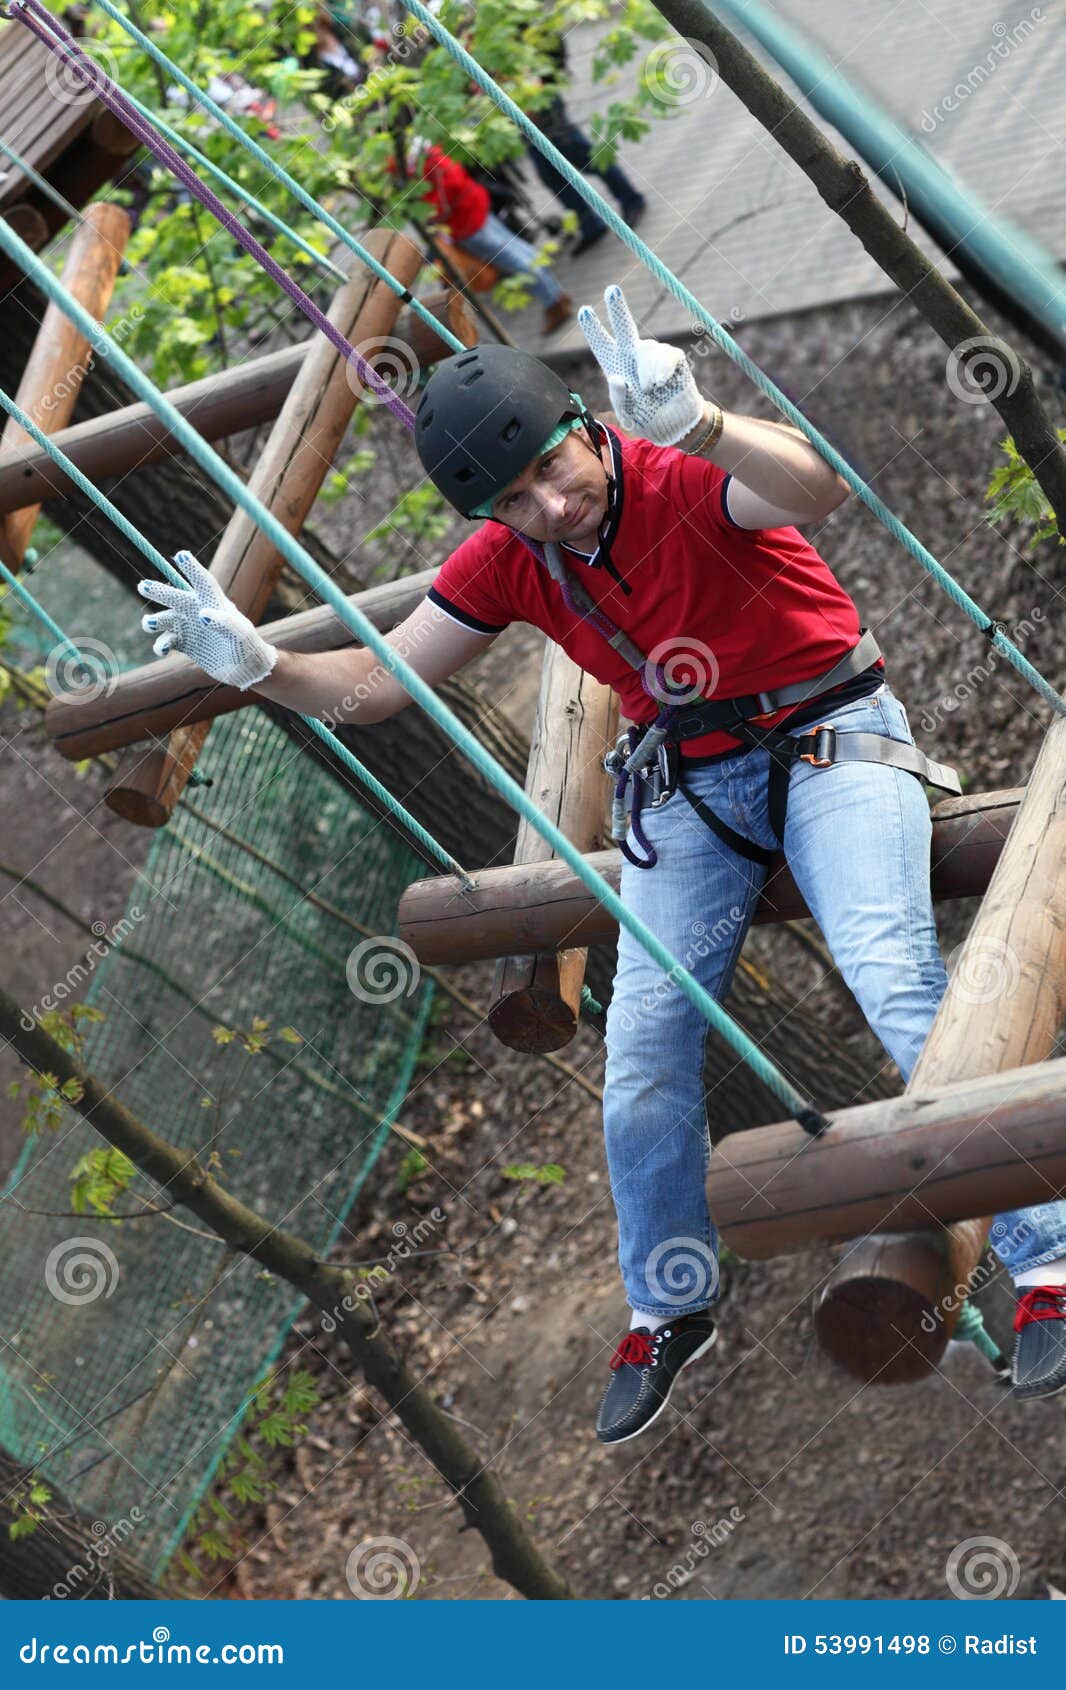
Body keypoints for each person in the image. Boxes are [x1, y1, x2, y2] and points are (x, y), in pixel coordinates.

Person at [136, 287, 1066, 1441]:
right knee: (640, 1050)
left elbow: (812, 489)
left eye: (552, 469)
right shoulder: (513, 555)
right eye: (515, 500)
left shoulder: (675, 468)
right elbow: (379, 686)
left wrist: (703, 422)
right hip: (690, 785)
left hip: (829, 737)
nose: (549, 504)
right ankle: (670, 1303)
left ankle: (1048, 1259)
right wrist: (263, 664)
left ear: (586, 420)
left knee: (889, 967)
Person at [406, 137, 572, 334]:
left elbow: (439, 206)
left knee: (516, 261)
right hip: (477, 211)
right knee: (520, 251)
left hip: (468, 224)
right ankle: (555, 294)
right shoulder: (438, 155)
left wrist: (425, 215)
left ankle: (553, 302)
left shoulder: (429, 170)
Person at [524, 32, 647, 255]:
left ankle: (631, 199)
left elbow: (547, 47)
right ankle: (590, 225)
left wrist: (541, 88)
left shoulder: (501, 22)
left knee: (584, 155)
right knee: (551, 176)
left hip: (541, 105)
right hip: (521, 122)